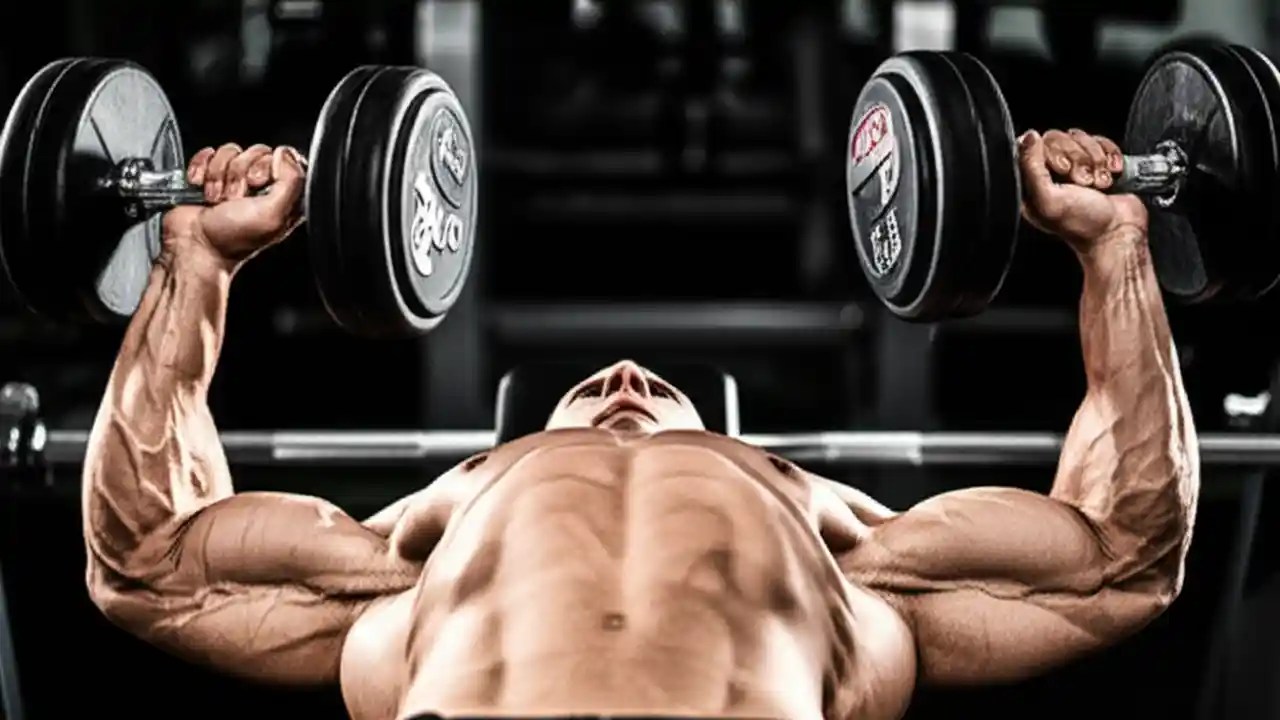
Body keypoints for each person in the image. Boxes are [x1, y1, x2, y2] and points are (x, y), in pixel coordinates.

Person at [81, 130, 1198, 720]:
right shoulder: (420, 540)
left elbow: (1121, 559)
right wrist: (196, 261)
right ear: (501, 447)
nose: (623, 373)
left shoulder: (845, 543)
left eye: (652, 388)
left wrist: (1114, 250)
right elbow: (148, 563)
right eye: (597, 392)